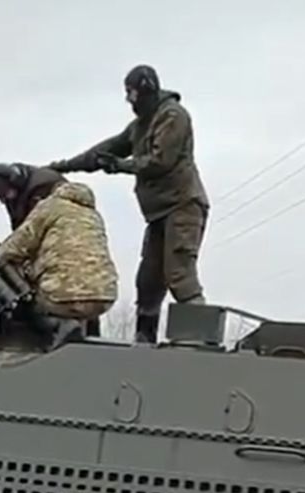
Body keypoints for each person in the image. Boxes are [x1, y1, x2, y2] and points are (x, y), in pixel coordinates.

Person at [47, 65, 209, 343]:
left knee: (179, 274)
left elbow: (161, 161)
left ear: (145, 90)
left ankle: (199, 338)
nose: (129, 101)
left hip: (183, 205)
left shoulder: (173, 116)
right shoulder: (139, 127)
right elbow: (103, 151)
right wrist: (63, 166)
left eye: (131, 93)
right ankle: (144, 339)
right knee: (148, 281)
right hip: (159, 212)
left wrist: (122, 166)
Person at [0, 163, 118, 339]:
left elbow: (18, 244)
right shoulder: (91, 215)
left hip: (64, 295)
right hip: (105, 295)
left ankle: (61, 327)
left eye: (6, 194)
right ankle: (89, 339)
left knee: (29, 306)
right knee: (80, 289)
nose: (5, 200)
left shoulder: (46, 204)